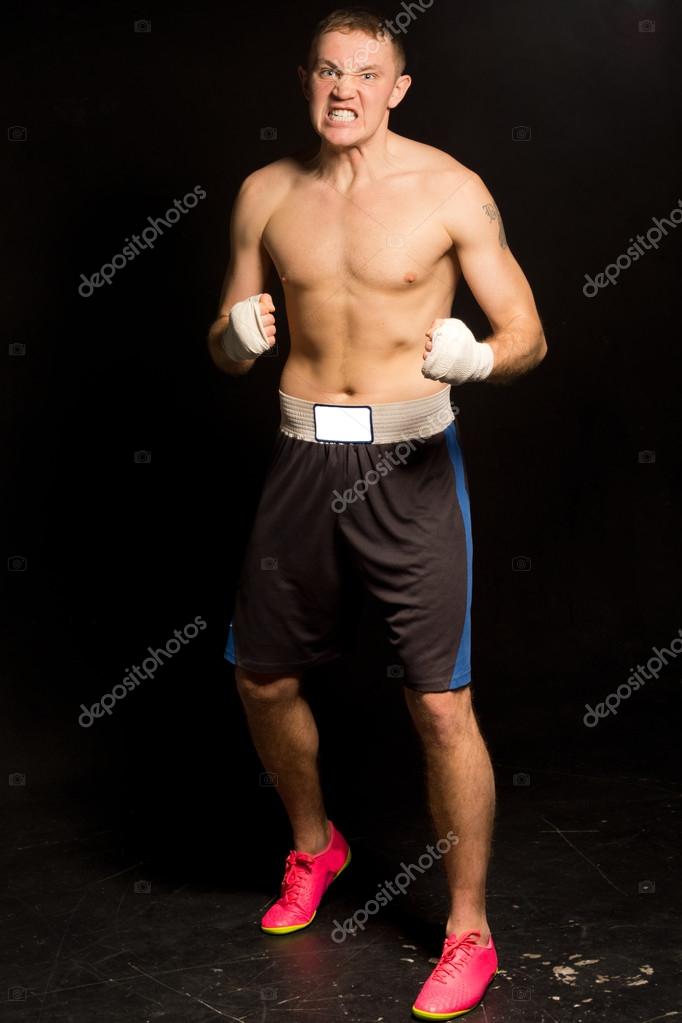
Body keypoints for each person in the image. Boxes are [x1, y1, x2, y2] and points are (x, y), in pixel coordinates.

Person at [207, 7, 546, 1019]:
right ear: (306, 82)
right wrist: (233, 338)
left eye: (364, 72)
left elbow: (528, 332)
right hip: (304, 455)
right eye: (325, 71)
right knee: (262, 681)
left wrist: (478, 358)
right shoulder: (266, 194)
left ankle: (468, 931)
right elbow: (224, 345)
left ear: (397, 87)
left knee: (439, 703)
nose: (342, 88)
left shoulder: (450, 191)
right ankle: (314, 847)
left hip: (411, 462)